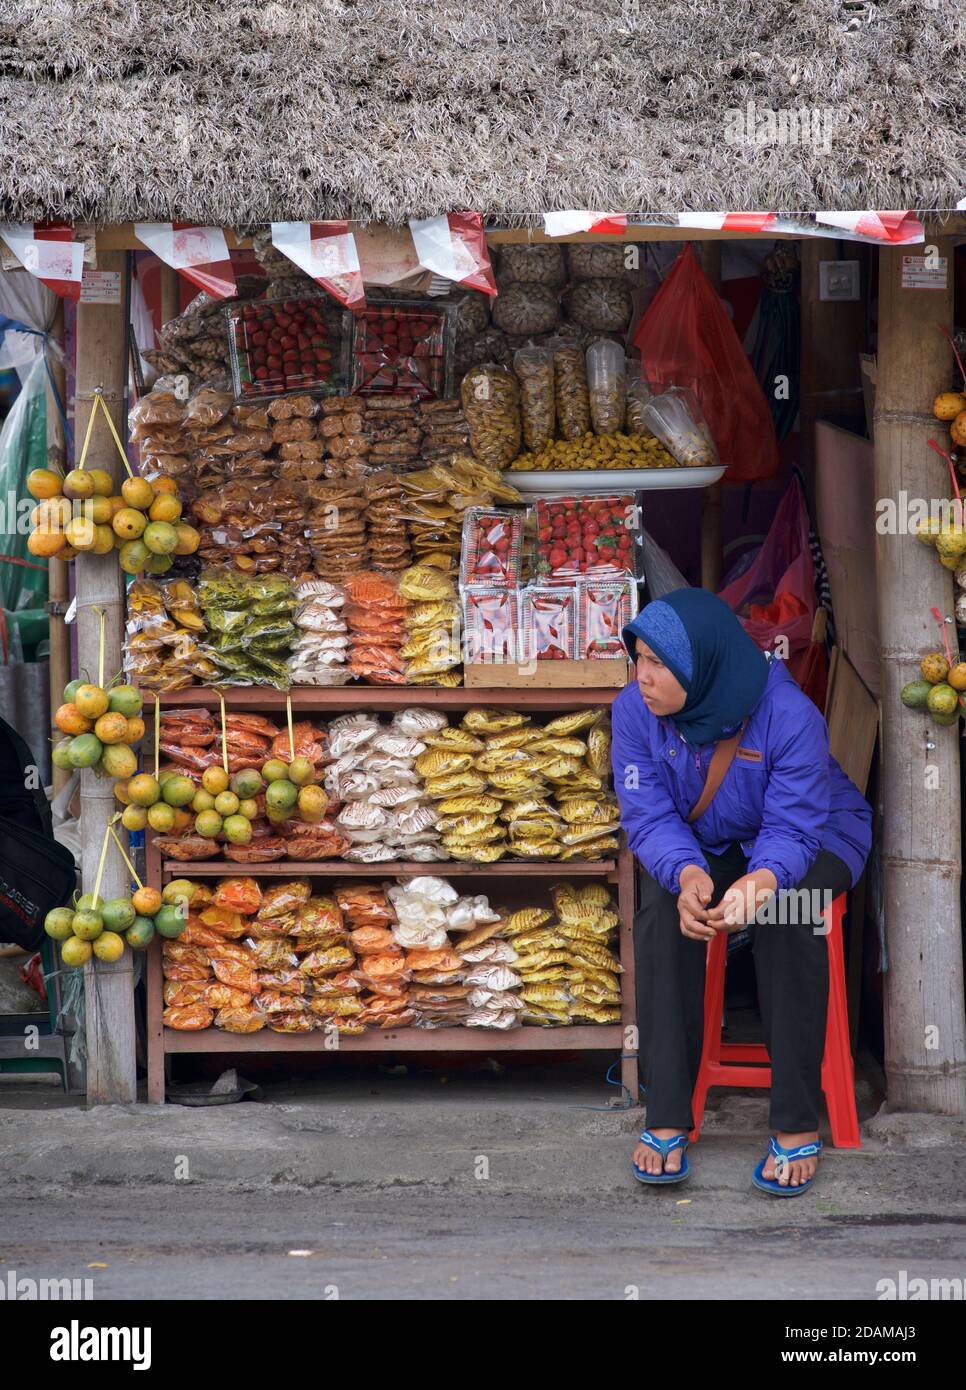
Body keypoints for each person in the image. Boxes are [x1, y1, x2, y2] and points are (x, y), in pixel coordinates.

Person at [611, 588, 872, 1196]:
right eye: (639, 659)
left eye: (657, 663)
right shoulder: (632, 711)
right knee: (664, 915)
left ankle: (795, 1121)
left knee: (791, 914)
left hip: (812, 832)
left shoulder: (789, 715)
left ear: (701, 665)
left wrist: (762, 880)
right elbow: (647, 815)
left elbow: (793, 827)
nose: (642, 677)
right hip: (706, 837)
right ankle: (669, 1114)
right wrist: (686, 874)